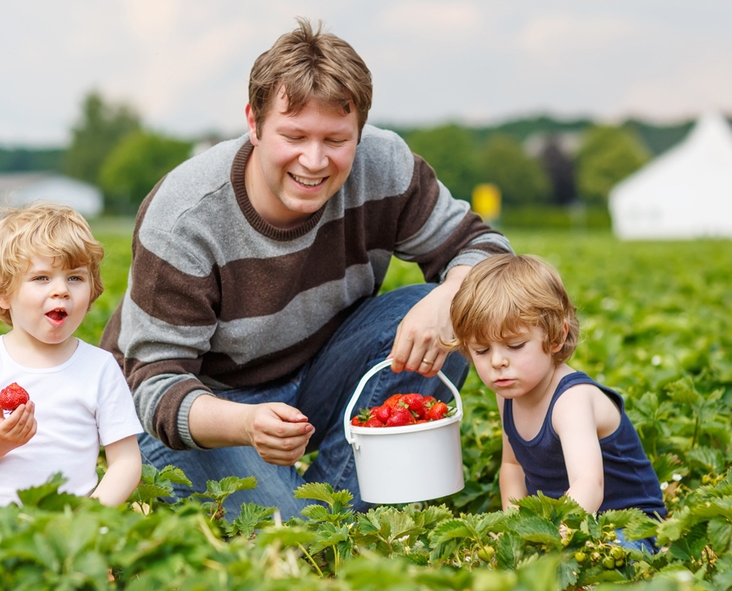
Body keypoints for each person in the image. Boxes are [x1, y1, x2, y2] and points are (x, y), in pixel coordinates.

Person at [100, 19, 512, 518]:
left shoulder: (384, 164)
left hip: (311, 371)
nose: (314, 161)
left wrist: (448, 299)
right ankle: (321, 515)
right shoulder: (186, 216)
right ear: (253, 123)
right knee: (293, 536)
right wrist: (247, 425)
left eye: (336, 140)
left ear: (359, 129)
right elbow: (156, 387)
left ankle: (336, 509)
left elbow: (484, 248)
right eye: (293, 136)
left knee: (456, 309)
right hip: (203, 405)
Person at [445, 253, 666, 551]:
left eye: (515, 345)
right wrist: (517, 529)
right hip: (563, 525)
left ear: (556, 337)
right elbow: (512, 465)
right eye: (482, 350)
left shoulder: (570, 400)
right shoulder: (507, 393)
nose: (498, 361)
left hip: (628, 527)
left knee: (596, 578)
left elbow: (589, 485)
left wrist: (549, 538)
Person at [0, 203, 143, 512]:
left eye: (75, 278)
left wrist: (87, 519)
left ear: (92, 289)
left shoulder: (100, 368)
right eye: (42, 278)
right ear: (2, 293)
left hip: (67, 531)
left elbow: (125, 462)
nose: (61, 290)